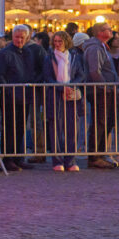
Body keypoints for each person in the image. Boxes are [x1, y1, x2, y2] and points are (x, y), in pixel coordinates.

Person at [0, 24, 46, 170]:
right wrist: (8, 90)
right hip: (10, 96)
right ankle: (8, 158)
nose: (19, 40)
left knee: (21, 127)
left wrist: (34, 82)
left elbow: (35, 70)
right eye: (17, 37)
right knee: (10, 128)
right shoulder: (5, 53)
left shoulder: (28, 52)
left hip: (25, 94)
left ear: (27, 38)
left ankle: (18, 157)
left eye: (22, 37)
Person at [41, 29, 86, 172]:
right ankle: (57, 160)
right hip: (55, 96)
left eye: (60, 41)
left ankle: (71, 160)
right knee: (56, 129)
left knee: (73, 128)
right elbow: (47, 77)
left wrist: (71, 86)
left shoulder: (74, 56)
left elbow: (81, 74)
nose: (57, 44)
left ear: (66, 42)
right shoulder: (49, 58)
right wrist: (61, 88)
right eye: (55, 41)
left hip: (72, 96)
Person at [81, 23, 119, 169]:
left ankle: (100, 153)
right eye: (108, 29)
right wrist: (106, 87)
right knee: (100, 122)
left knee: (108, 121)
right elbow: (94, 71)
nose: (111, 31)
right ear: (100, 32)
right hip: (100, 91)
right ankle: (94, 156)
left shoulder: (102, 47)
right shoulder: (95, 48)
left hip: (106, 89)